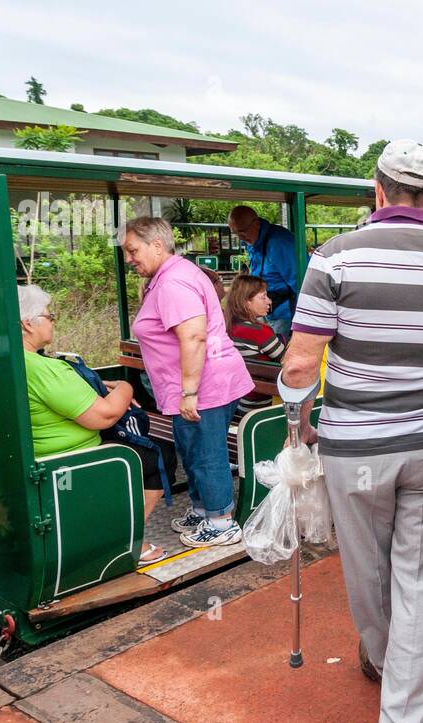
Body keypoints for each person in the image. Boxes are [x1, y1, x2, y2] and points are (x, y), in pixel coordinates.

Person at [279, 139, 423, 723]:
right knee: (421, 576)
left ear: (377, 191)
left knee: (364, 564)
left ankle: (379, 655)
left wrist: (300, 423)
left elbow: (297, 361)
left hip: (353, 448)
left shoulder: (334, 257)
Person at [17, 284, 176, 565]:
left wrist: (99, 385)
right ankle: (122, 540)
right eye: (49, 316)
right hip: (73, 457)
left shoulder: (17, 362)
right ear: (27, 325)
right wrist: (126, 387)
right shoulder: (43, 368)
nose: (52, 321)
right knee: (159, 455)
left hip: (40, 452)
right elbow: (104, 415)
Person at [123, 216, 253, 548]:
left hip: (203, 384)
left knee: (206, 452)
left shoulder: (173, 282)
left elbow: (193, 336)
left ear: (156, 245)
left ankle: (221, 522)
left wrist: (190, 391)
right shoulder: (169, 276)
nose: (129, 258)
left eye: (132, 250)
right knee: (192, 449)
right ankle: (202, 510)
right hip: (194, 383)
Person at [228, 205, 298, 341]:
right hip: (267, 310)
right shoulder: (254, 240)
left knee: (279, 354)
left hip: (284, 314)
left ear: (257, 223)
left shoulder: (278, 243)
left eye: (242, 232)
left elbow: (299, 280)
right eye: (235, 233)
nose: (241, 238)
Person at [224, 274, 285, 411]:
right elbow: (286, 360)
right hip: (263, 404)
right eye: (263, 297)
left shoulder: (229, 326)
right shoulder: (259, 331)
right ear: (247, 302)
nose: (269, 301)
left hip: (238, 401)